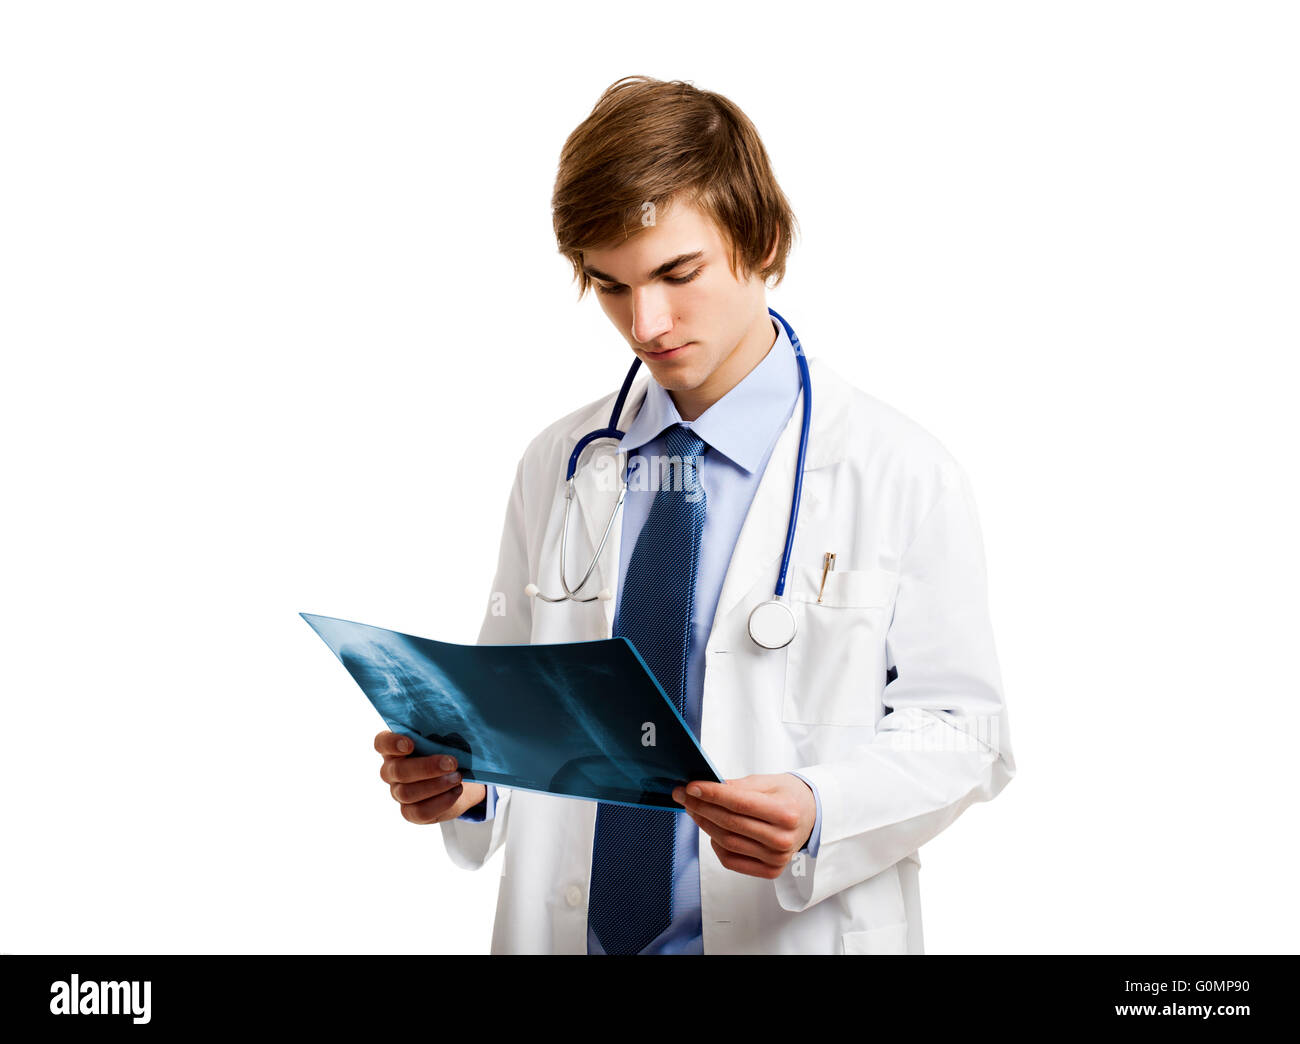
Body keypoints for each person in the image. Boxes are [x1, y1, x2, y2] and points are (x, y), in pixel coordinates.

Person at [374, 75, 1016, 954]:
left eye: (679, 273)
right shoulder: (562, 466)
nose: (647, 322)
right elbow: (521, 719)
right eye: (610, 286)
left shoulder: (898, 471)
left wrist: (824, 808)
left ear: (764, 239)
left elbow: (965, 733)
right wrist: (467, 781)